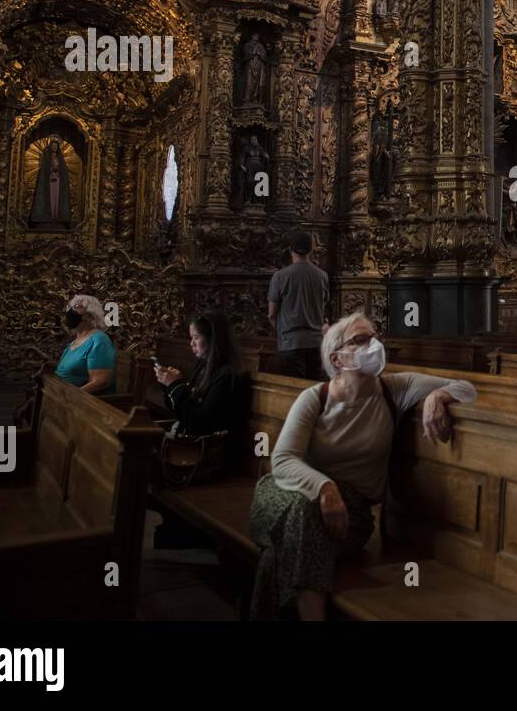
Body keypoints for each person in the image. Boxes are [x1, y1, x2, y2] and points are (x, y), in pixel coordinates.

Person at [248, 313, 477, 620]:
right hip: (284, 494)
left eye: (374, 336)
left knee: (280, 551)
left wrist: (438, 395)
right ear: (337, 358)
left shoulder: (394, 388)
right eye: (361, 339)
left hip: (350, 516)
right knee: (304, 513)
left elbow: (467, 388)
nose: (374, 344)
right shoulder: (314, 399)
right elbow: (283, 461)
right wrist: (324, 488)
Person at [153, 309, 247, 473]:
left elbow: (199, 423)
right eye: (191, 338)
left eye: (196, 338)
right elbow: (181, 411)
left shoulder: (228, 375)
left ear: (214, 339)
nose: (191, 343)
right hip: (193, 446)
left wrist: (176, 386)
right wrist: (169, 384)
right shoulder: (204, 365)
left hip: (208, 456)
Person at [267, 231, 329, 379]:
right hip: (316, 342)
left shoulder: (280, 276)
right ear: (311, 250)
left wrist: (282, 332)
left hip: (290, 343)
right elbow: (323, 306)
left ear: (290, 250)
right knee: (313, 390)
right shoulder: (322, 276)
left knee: (294, 391)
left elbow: (272, 314)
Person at [55, 294, 116, 394]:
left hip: (78, 403)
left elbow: (101, 382)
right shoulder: (75, 341)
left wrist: (70, 396)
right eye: (70, 307)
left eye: (77, 307)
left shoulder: (99, 340)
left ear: (90, 314)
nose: (70, 312)